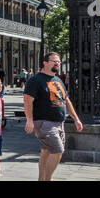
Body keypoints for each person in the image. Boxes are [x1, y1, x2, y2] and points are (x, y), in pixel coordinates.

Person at [24, 52, 83, 181]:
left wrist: (76, 119)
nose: (57, 63)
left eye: (59, 61)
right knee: (57, 151)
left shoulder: (58, 80)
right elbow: (28, 100)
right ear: (45, 63)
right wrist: (29, 120)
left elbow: (66, 101)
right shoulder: (35, 80)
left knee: (46, 152)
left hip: (59, 123)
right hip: (44, 123)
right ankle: (48, 179)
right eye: (54, 61)